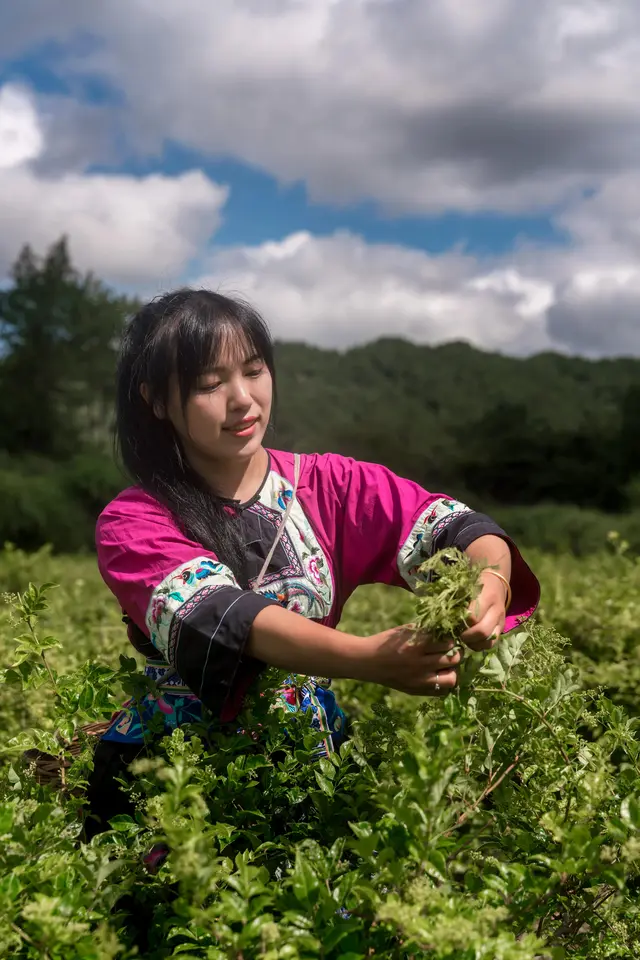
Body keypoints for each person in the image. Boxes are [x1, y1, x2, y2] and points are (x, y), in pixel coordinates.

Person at [85, 288, 540, 839]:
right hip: (171, 774)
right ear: (156, 400)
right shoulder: (133, 521)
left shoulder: (329, 484)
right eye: (209, 384)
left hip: (312, 761)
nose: (242, 400)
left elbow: (451, 525)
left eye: (254, 371)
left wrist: (489, 576)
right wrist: (368, 659)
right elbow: (220, 616)